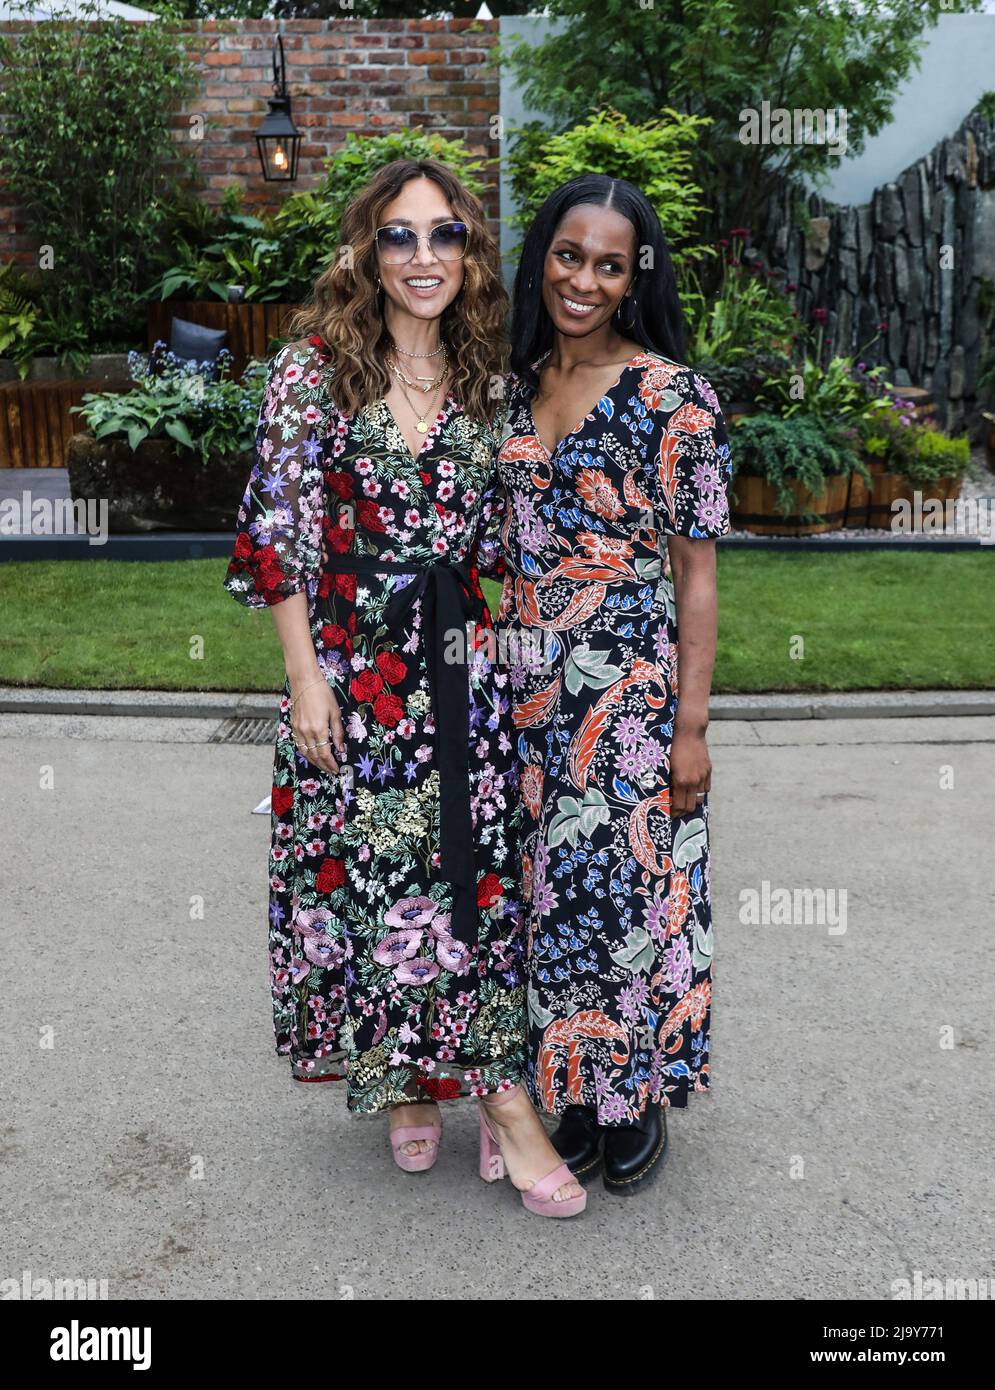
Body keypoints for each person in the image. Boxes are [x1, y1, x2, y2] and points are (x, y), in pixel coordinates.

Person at [223, 158, 584, 1216]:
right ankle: (407, 1083)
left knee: (472, 883)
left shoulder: (493, 375)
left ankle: (498, 1091)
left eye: (443, 235)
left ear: (469, 249)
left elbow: (530, 530)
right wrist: (303, 682)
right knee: (371, 878)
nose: (422, 257)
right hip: (353, 667)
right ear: (366, 252)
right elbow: (275, 537)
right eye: (398, 236)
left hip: (465, 671)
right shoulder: (310, 371)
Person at [493, 174, 732, 1194]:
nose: (582, 279)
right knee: (544, 897)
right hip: (519, 685)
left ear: (634, 278)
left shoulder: (672, 398)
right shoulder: (507, 383)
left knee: (627, 894)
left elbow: (698, 576)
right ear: (541, 253)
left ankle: (630, 1095)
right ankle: (571, 1089)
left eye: (607, 264)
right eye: (567, 254)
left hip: (627, 690)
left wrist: (689, 728)